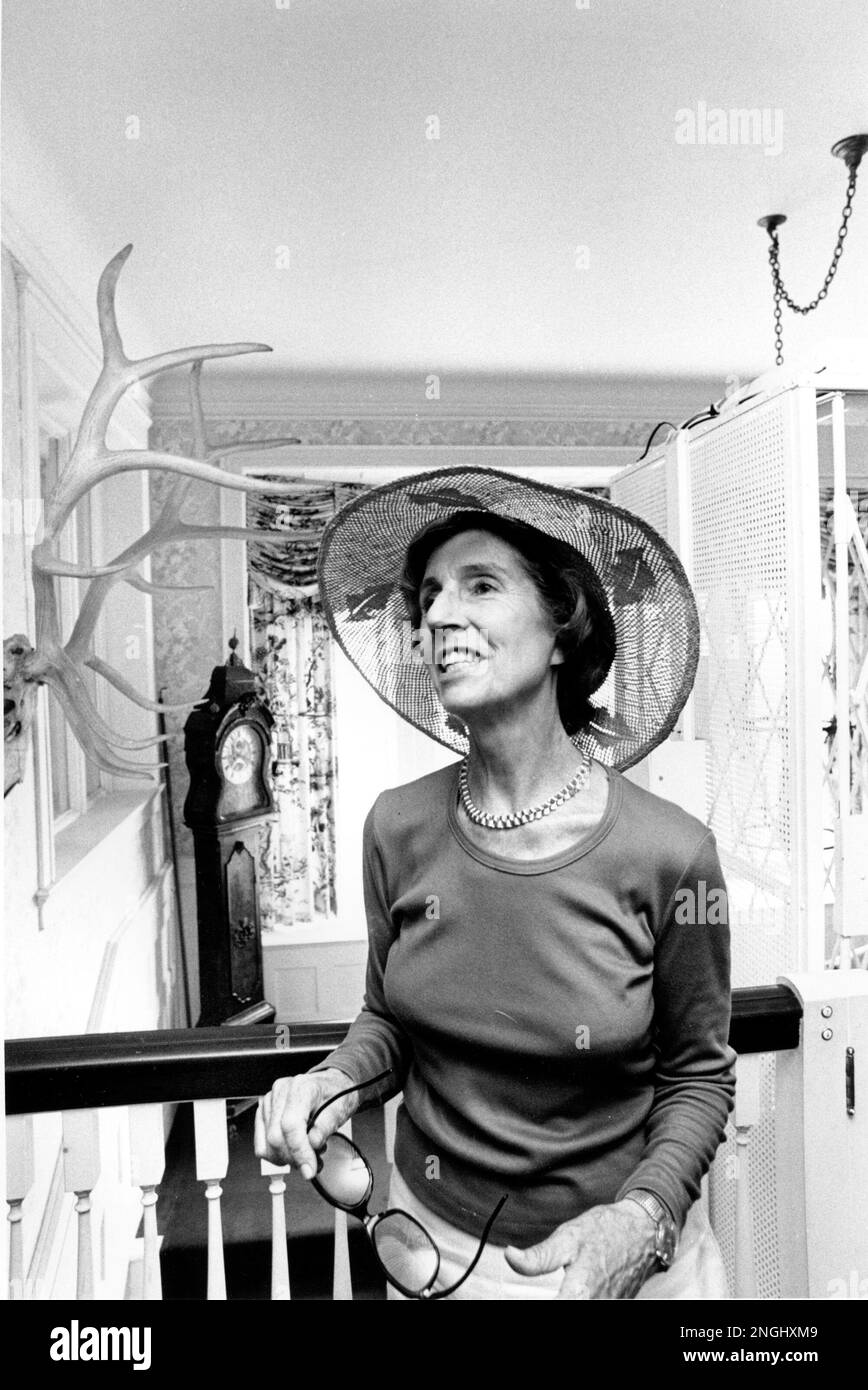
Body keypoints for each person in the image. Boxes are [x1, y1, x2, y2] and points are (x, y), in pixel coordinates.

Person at [255, 465, 735, 1300]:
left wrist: (642, 1223)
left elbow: (698, 1075)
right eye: (431, 595)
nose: (438, 614)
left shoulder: (672, 855)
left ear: (561, 630)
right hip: (430, 1250)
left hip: (624, 1264)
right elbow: (389, 1022)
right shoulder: (396, 828)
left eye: (480, 585)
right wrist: (332, 1081)